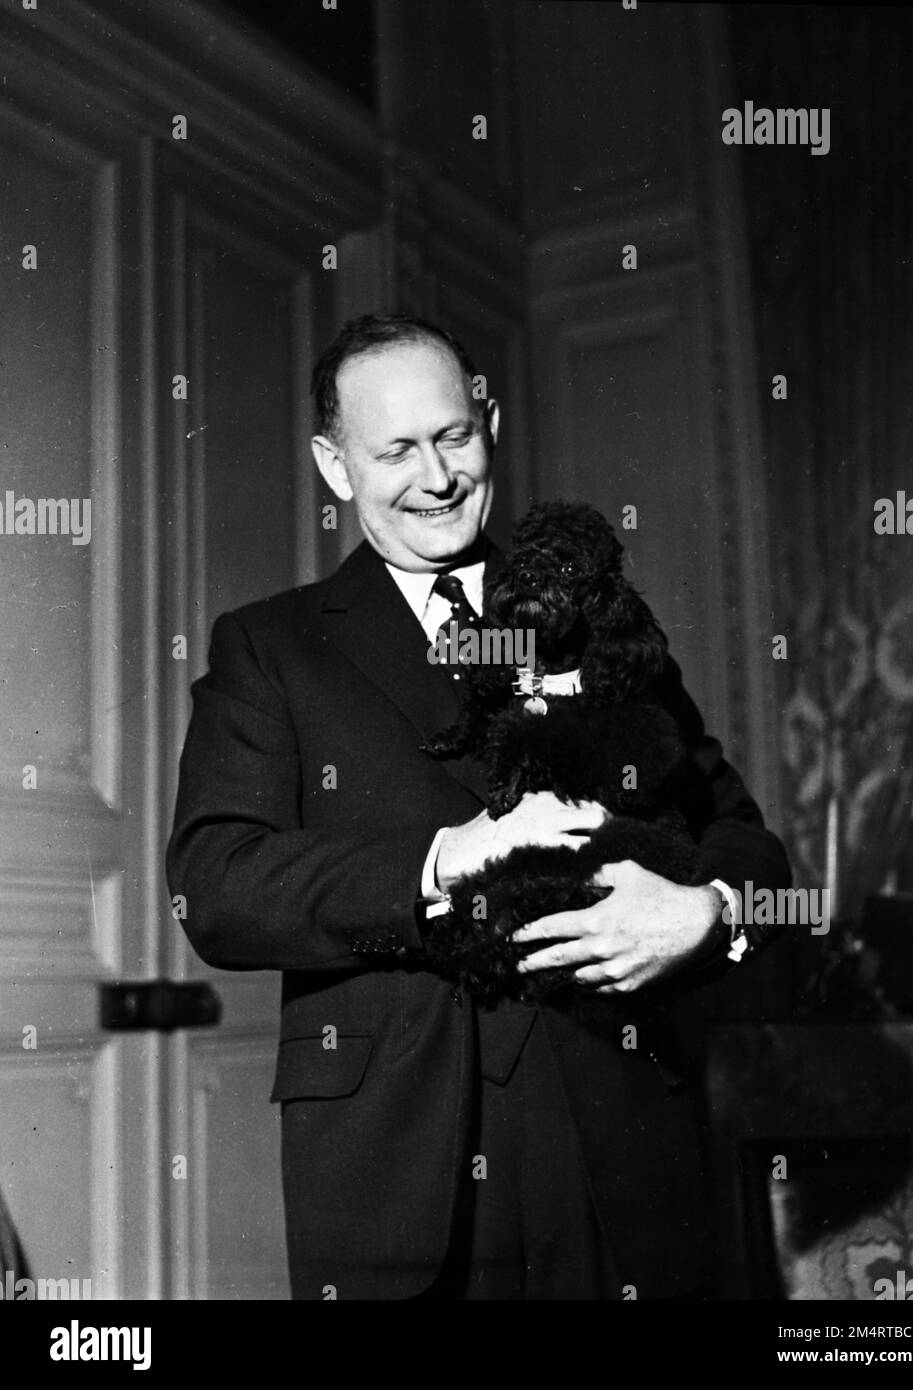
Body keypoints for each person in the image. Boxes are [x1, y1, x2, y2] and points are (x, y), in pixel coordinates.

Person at [166, 314, 791, 1301]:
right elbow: (216, 887)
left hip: (619, 1129)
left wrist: (709, 912)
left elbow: (745, 836)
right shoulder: (269, 647)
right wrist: (440, 859)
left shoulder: (596, 616)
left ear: (487, 420)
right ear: (335, 467)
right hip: (396, 1167)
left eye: (453, 436)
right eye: (395, 450)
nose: (437, 476)